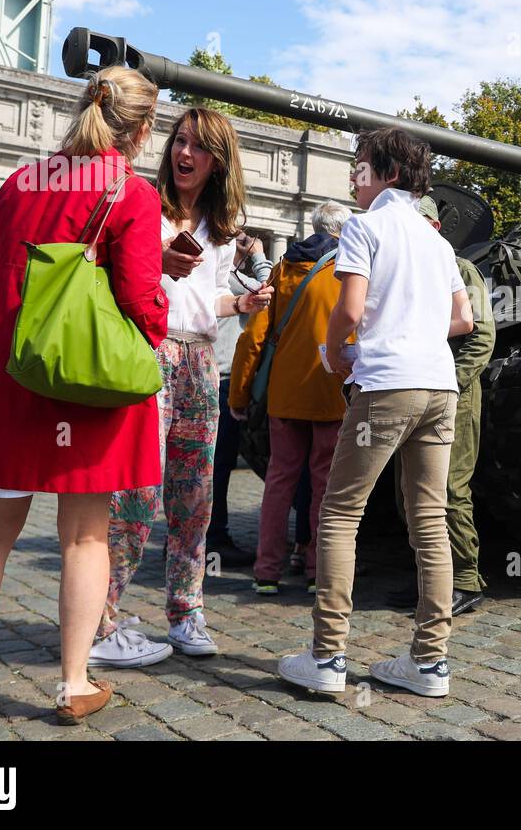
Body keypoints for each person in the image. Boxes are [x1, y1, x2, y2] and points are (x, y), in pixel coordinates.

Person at [0, 66, 167, 725]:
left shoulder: (22, 180)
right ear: (141, 132)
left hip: (6, 376)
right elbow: (141, 298)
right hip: (84, 386)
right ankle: (73, 683)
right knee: (85, 537)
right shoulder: (133, 194)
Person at [277, 127, 473, 699]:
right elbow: (462, 319)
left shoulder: (365, 227)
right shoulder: (438, 244)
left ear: (385, 171)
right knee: (430, 522)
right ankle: (431, 663)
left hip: (384, 384)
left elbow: (351, 309)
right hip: (439, 386)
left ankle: (329, 658)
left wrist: (339, 353)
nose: (354, 176)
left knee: (339, 513)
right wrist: (414, 331)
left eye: (360, 165)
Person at [90, 107, 272, 670]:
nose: (184, 154)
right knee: (136, 495)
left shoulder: (222, 225)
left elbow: (208, 298)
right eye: (179, 142)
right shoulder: (144, 203)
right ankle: (100, 619)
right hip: (148, 351)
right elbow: (107, 270)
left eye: (198, 147)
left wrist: (240, 303)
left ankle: (186, 609)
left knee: (194, 497)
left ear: (219, 160)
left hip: (200, 361)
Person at [230, 201, 351, 595]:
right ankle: (317, 571)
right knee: (324, 486)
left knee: (279, 483)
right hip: (332, 389)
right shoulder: (350, 270)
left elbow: (254, 337)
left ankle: (266, 572)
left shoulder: (283, 268)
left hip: (285, 393)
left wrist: (240, 393)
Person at [388, 195, 494, 615]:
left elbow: (482, 336)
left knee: (448, 489)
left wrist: (447, 384)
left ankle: (465, 580)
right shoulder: (410, 272)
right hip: (414, 391)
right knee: (409, 493)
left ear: (433, 227)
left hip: (455, 395)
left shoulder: (460, 270)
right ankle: (429, 582)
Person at [207, 233, 272, 568]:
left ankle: (194, 534)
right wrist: (259, 255)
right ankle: (212, 538)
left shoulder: (214, 273)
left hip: (209, 373)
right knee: (217, 464)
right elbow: (269, 290)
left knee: (204, 465)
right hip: (222, 380)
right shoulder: (230, 280)